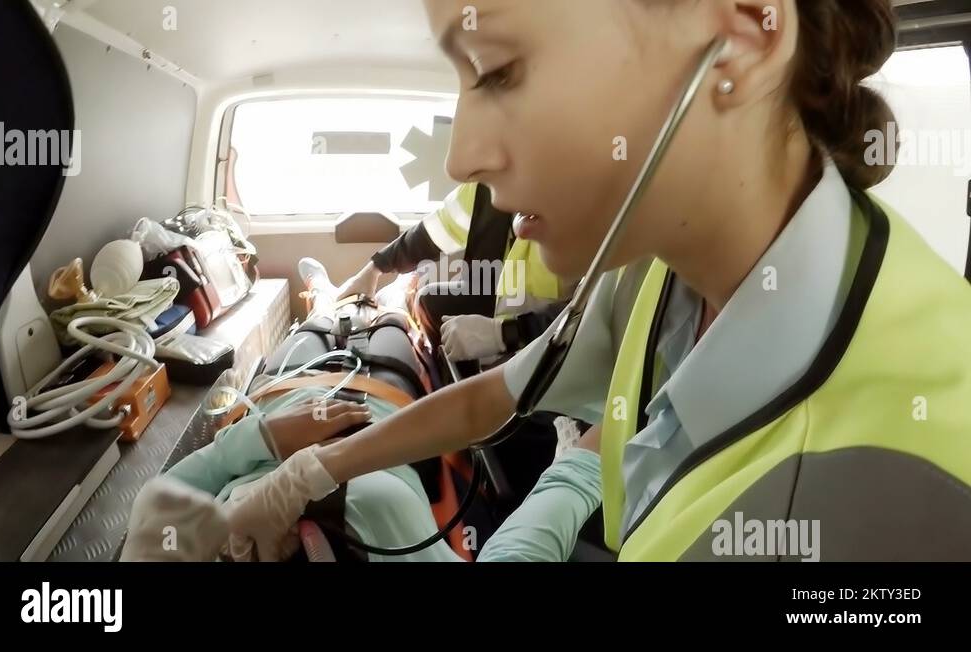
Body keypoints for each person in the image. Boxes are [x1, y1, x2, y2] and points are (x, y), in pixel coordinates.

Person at [203, 0, 971, 562]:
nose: (460, 156)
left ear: (742, 36)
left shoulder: (891, 493)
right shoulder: (651, 273)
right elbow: (491, 398)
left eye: (500, 70)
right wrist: (309, 472)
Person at [120, 259, 602, 562]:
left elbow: (166, 494)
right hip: (386, 404)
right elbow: (522, 548)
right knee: (390, 321)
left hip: (287, 400)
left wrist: (266, 438)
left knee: (318, 327)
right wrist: (579, 467)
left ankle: (328, 294)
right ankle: (385, 297)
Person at [337, 182, 573, 365]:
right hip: (503, 300)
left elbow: (591, 311)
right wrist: (374, 268)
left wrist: (505, 333)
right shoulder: (487, 185)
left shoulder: (583, 201)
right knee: (429, 301)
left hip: (556, 334)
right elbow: (433, 233)